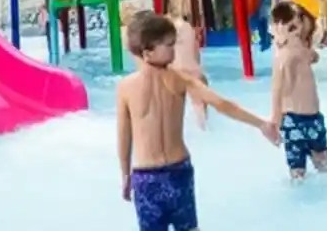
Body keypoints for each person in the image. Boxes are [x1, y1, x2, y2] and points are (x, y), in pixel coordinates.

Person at [117, 12, 279, 231]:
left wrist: (125, 174)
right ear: (147, 53)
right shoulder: (180, 79)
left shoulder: (126, 87)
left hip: (146, 178)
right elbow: (222, 104)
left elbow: (124, 136)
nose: (174, 50)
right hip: (178, 171)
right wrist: (261, 123)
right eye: (169, 45)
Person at [270, 1, 327, 180]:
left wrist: (322, 6)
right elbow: (277, 90)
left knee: (324, 166)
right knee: (298, 173)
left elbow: (315, 55)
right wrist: (275, 121)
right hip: (293, 120)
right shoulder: (285, 56)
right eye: (297, 22)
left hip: (314, 118)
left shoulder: (302, 51)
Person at [166, 0, 209, 129]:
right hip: (193, 71)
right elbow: (196, 55)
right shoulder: (188, 28)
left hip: (175, 72)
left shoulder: (167, 25)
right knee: (200, 109)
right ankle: (203, 127)